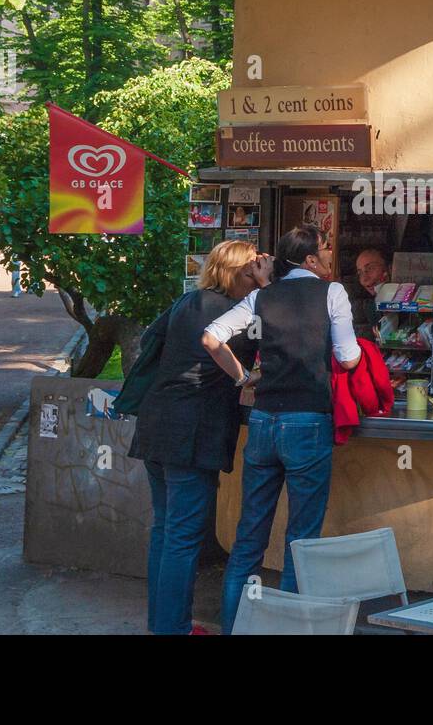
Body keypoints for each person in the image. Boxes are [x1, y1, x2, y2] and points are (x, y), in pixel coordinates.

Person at [204, 224, 362, 635]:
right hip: (308, 421)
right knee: (301, 539)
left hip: (264, 420)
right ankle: (289, 628)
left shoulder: (261, 296)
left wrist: (243, 378)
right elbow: (348, 357)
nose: (329, 254)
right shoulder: (332, 293)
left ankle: (235, 626)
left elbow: (212, 338)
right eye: (325, 249)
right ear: (310, 259)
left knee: (249, 533)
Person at [128, 241, 273, 635]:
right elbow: (277, 336)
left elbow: (150, 340)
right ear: (238, 272)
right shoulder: (239, 310)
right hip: (192, 432)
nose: (258, 274)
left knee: (165, 530)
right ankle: (172, 628)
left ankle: (164, 623)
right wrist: (267, 287)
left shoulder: (188, 301)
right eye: (253, 269)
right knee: (182, 537)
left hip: (156, 423)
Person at [346, 246, 391, 340]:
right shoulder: (364, 307)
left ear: (389, 268)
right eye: (360, 273)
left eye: (370, 268)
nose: (364, 279)